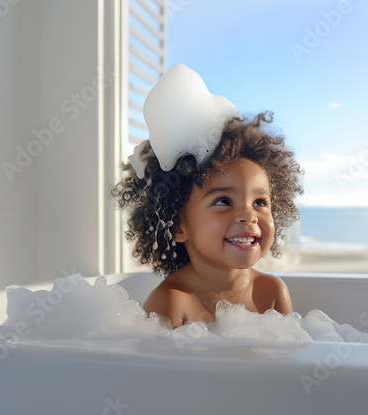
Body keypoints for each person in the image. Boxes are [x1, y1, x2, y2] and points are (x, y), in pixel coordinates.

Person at [110, 65, 303, 328]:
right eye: (223, 201)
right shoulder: (171, 303)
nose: (249, 215)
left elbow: (290, 364)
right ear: (178, 225)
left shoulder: (271, 292)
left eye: (260, 202)